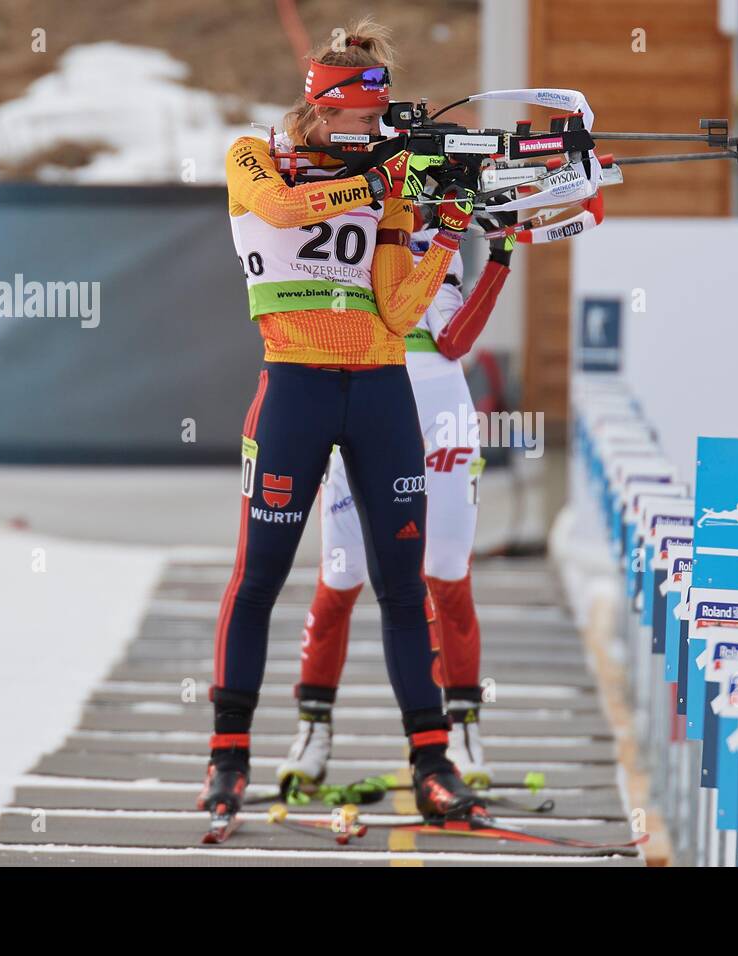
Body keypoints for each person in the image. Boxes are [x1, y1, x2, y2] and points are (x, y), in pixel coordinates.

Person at [199, 17, 484, 826]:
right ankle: (229, 758)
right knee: (259, 578)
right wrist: (377, 178)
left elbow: (398, 308)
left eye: (382, 123)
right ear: (324, 110)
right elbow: (284, 210)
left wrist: (447, 225)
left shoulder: (388, 177)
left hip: (381, 385)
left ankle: (432, 763)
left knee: (403, 586)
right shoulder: (256, 151)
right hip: (294, 384)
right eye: (364, 123)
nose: (376, 134)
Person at [279, 201, 516, 793]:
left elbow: (455, 339)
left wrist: (501, 253)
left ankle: (461, 730)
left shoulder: (442, 231)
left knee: (446, 574)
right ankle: (313, 728)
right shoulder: (352, 213)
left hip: (441, 419)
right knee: (340, 577)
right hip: (359, 402)